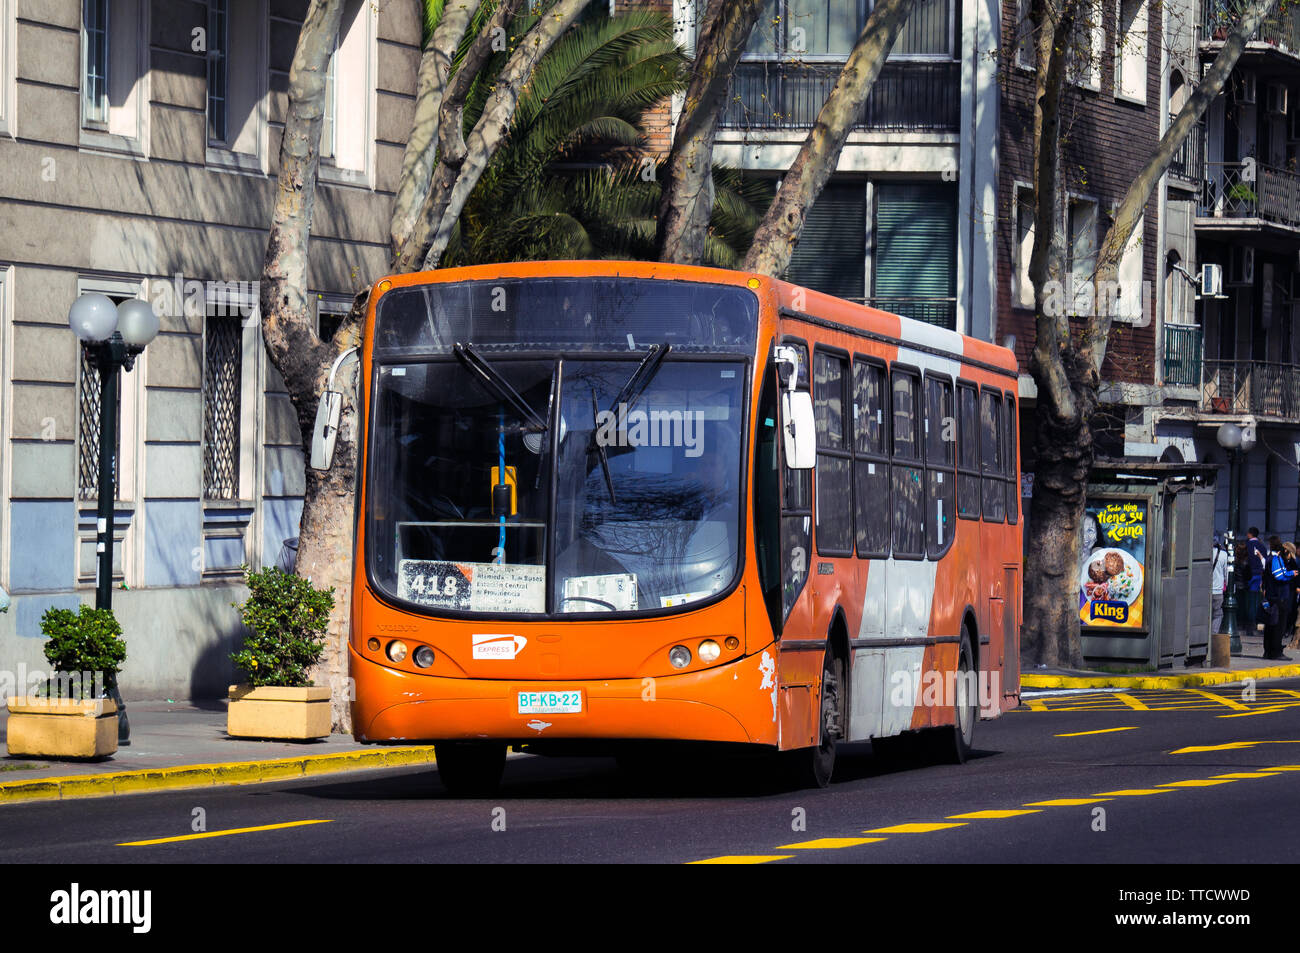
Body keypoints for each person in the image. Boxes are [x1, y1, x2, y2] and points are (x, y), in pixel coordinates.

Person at [1262, 535, 1295, 660]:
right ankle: (1276, 651)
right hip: (1279, 596)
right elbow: (1279, 576)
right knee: (1278, 625)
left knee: (1270, 624)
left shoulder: (1269, 558)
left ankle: (1268, 651)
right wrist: (1291, 574)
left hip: (1272, 595)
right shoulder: (1276, 559)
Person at [1246, 527, 1269, 631]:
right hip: (1259, 575)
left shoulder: (1247, 545)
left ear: (1249, 534)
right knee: (1256, 599)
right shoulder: (1262, 546)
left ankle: (1249, 621)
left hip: (1249, 575)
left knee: (1248, 599)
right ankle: (1255, 621)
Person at [1210, 535, 1229, 635]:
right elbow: (1226, 573)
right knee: (1217, 614)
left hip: (1206, 591)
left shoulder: (1204, 554)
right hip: (1218, 590)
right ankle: (1213, 634)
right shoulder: (1223, 555)